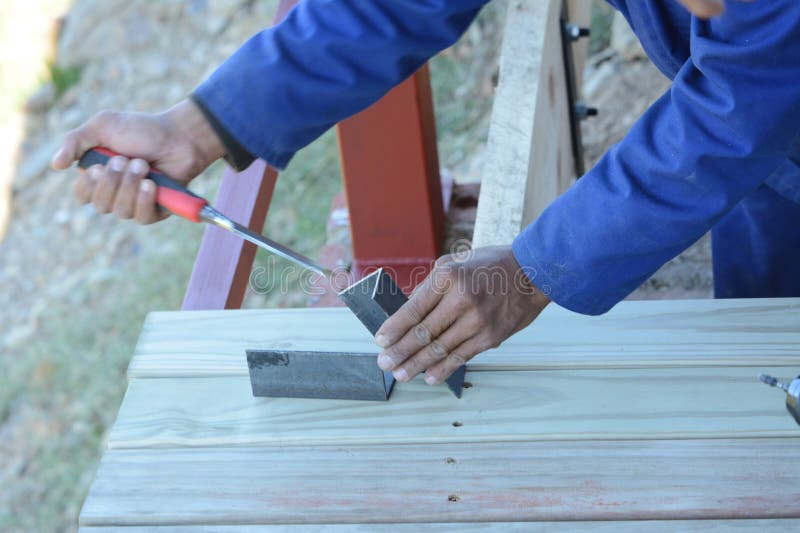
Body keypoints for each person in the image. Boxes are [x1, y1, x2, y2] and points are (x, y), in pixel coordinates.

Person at [51, 0, 800, 387]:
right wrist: (200, 127)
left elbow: (743, 102)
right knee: (758, 358)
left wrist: (534, 269)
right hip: (767, 169)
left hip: (765, 117)